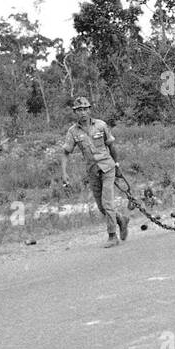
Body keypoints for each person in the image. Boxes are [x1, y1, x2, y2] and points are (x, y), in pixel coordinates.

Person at [60, 97, 129, 247]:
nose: (82, 113)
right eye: (79, 110)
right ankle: (121, 219)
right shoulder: (72, 132)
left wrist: (116, 165)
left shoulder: (101, 125)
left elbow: (111, 146)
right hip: (92, 171)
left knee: (107, 202)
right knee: (101, 207)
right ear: (75, 112)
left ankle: (112, 236)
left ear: (89, 110)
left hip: (107, 168)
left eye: (85, 109)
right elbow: (66, 152)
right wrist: (64, 173)